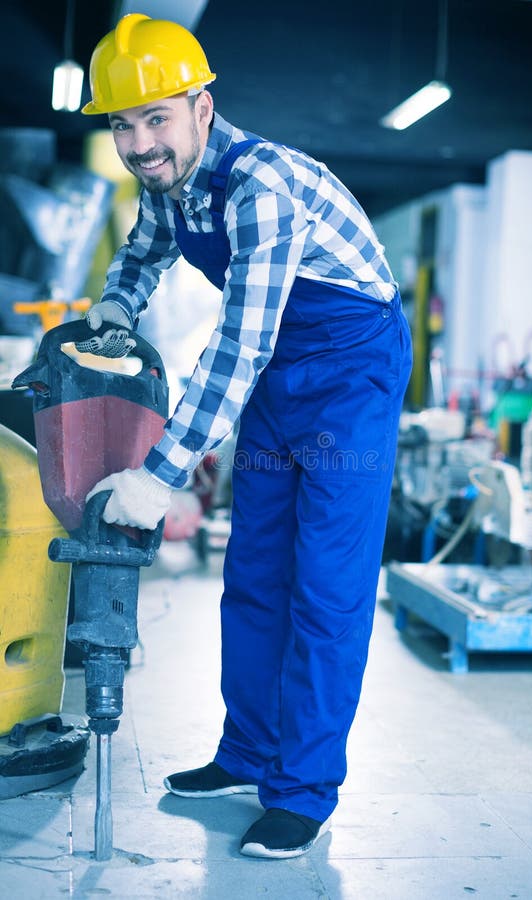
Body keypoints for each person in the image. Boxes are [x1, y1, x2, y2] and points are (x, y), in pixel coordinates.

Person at [80, 13, 412, 859]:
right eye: (122, 123)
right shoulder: (169, 182)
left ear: (201, 103)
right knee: (257, 567)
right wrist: (118, 303)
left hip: (348, 373)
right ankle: (247, 753)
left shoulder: (262, 185)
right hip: (278, 375)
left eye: (156, 118)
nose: (139, 142)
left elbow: (241, 341)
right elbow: (145, 249)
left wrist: (162, 473)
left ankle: (302, 791)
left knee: (327, 586)